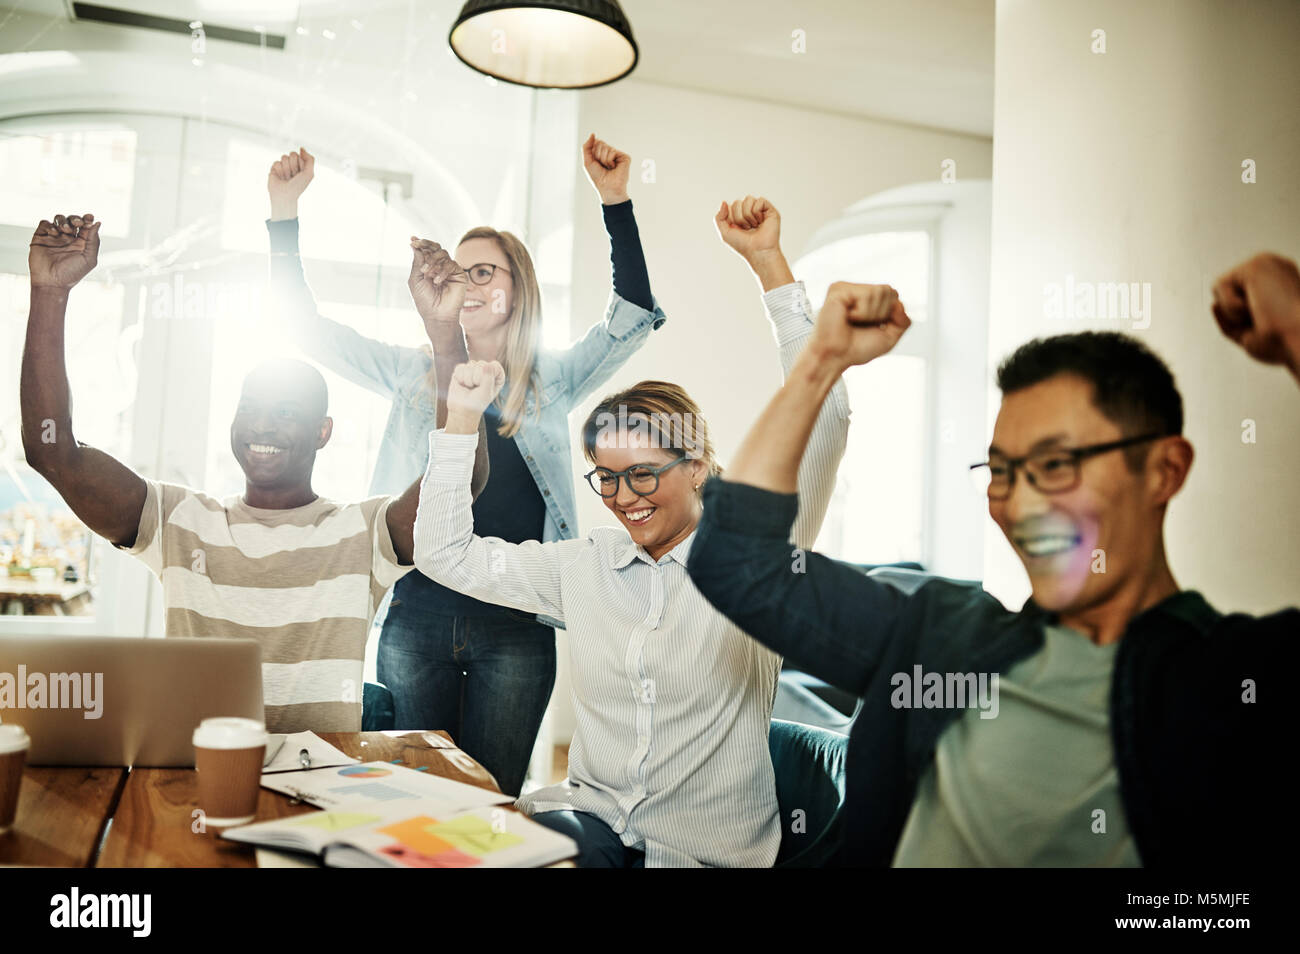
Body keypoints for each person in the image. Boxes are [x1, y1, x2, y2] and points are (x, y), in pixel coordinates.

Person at [686, 250, 1299, 867]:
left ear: (1166, 470)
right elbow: (737, 561)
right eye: (1002, 470)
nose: (1020, 504)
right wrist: (820, 359)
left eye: (1057, 465)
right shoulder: (941, 637)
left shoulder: (1236, 679)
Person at [412, 196, 890, 866]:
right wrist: (460, 419)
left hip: (704, 854)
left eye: (641, 474)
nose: (622, 499)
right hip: (591, 828)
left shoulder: (757, 563)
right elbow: (443, 554)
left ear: (697, 465)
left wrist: (768, 266)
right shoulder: (585, 565)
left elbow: (828, 421)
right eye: (604, 478)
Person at [265, 136, 665, 796]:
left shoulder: (551, 380)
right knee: (413, 800)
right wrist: (284, 212)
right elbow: (304, 328)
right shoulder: (408, 373)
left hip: (516, 624)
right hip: (415, 616)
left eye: (487, 271)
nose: (469, 281)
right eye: (461, 269)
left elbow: (630, 318)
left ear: (518, 289)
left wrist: (614, 200)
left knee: (490, 805)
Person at [21, 211, 485, 734]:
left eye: (287, 412)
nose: (262, 423)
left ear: (323, 432)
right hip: (195, 780)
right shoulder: (178, 521)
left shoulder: (360, 534)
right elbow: (52, 452)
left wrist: (446, 335)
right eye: (251, 408)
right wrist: (49, 293)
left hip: (318, 790)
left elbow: (458, 484)